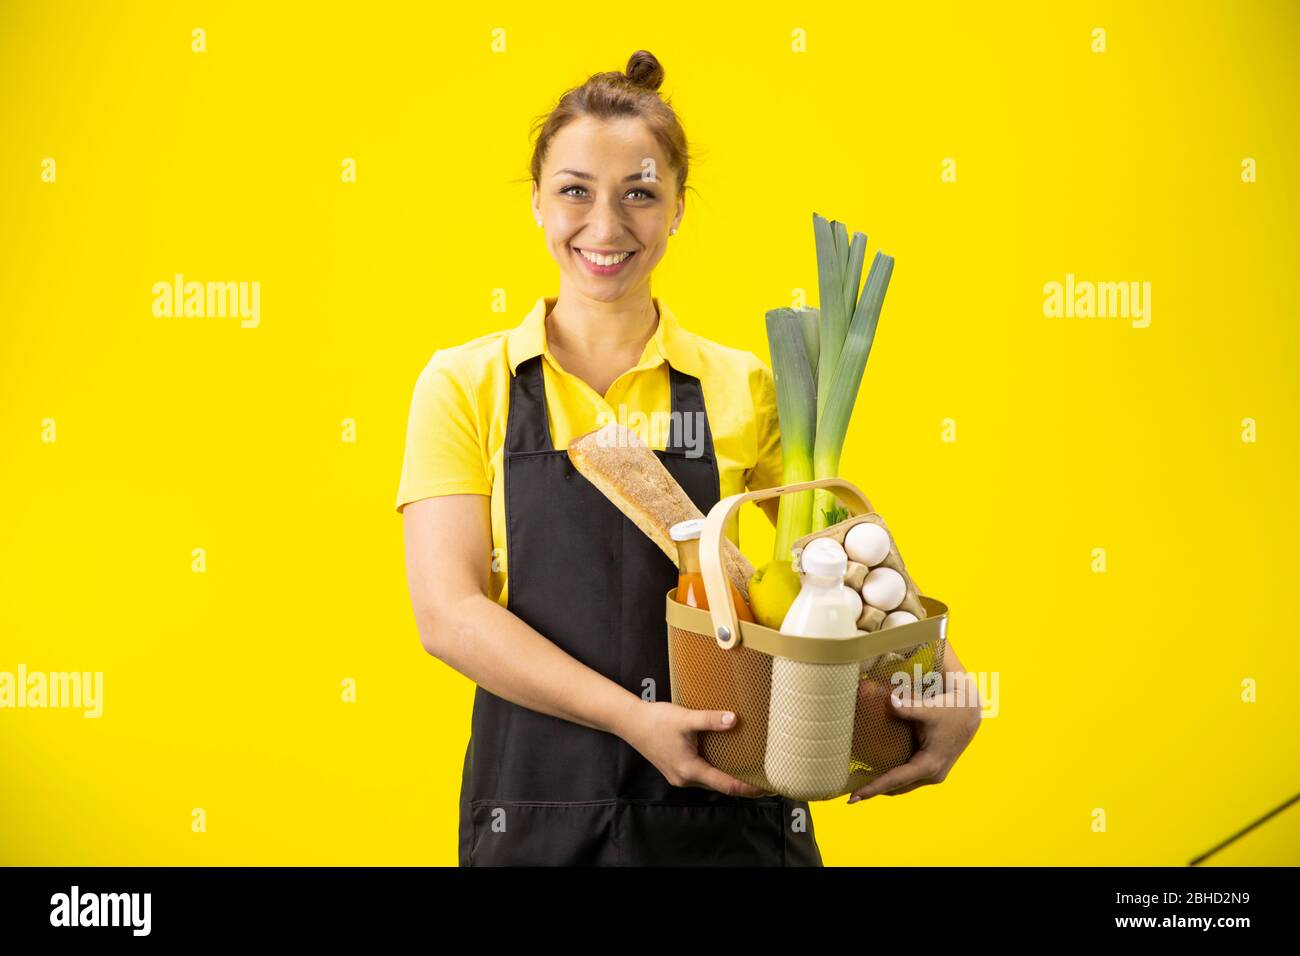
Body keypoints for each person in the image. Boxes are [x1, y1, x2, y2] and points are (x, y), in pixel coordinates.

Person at [396, 50, 980, 866]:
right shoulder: (467, 384)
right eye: (574, 191)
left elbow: (834, 566)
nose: (605, 227)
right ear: (535, 202)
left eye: (640, 194)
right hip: (534, 819)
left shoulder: (743, 386)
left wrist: (945, 683)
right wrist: (632, 718)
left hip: (729, 814)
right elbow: (449, 614)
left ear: (676, 211)